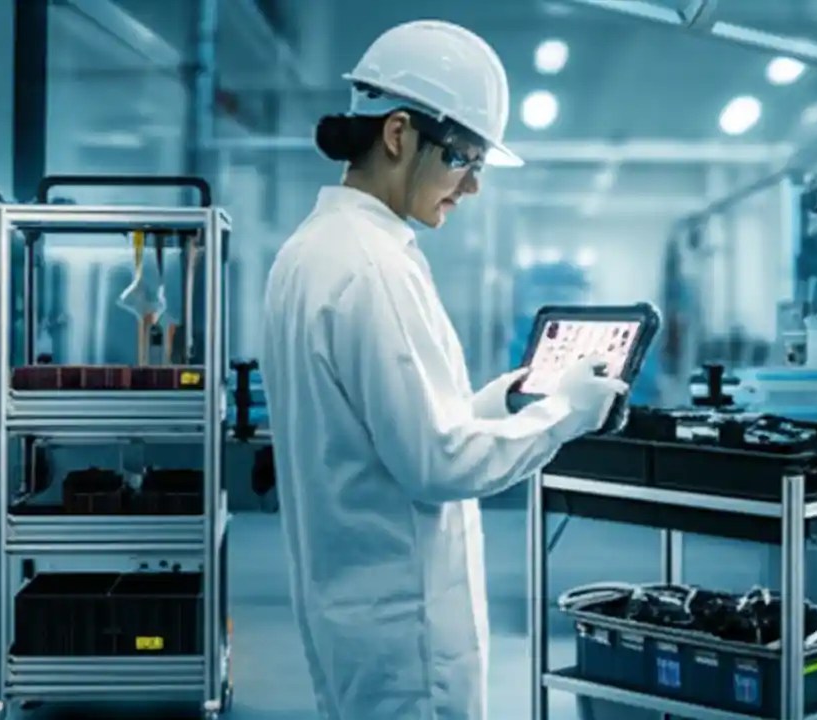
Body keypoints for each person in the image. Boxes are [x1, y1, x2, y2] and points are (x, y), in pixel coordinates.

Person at [259, 20, 628, 720]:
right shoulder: (374, 270)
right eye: (464, 158)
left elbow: (386, 426)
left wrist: (498, 401)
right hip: (406, 633)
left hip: (352, 614)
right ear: (399, 135)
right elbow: (438, 463)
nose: (473, 187)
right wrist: (566, 415)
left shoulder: (310, 253)